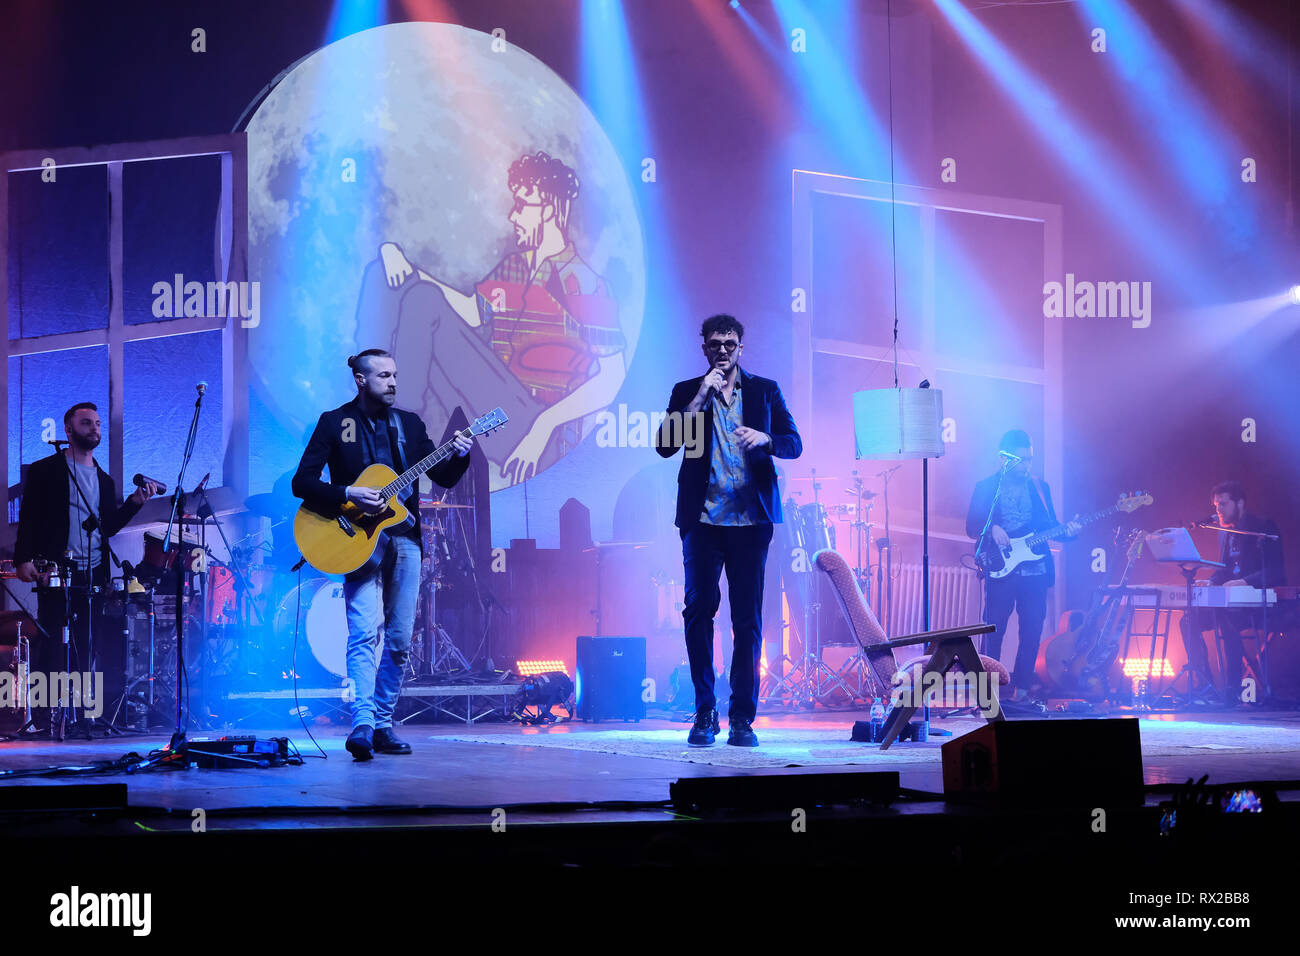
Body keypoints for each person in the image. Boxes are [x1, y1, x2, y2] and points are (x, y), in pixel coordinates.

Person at [362, 151, 624, 487]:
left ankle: (395, 428)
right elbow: (469, 313)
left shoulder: (582, 283)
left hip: (536, 424)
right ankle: (399, 426)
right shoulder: (514, 267)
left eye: (522, 205)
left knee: (424, 301)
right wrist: (400, 261)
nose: (514, 216)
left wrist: (543, 426)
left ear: (546, 209)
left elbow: (612, 378)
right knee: (420, 298)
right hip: (492, 415)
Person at [292, 349, 474, 760]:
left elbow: (441, 476)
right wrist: (346, 493)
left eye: (395, 375)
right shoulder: (334, 422)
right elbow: (302, 483)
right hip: (355, 541)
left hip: (406, 539)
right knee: (362, 634)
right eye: (383, 376)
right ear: (360, 379)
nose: (393, 382)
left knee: (398, 640)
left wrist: (460, 453)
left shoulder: (408, 424)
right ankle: (363, 722)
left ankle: (384, 723)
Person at [655, 315, 802, 747]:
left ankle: (742, 718)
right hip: (701, 522)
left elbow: (794, 442)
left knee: (748, 620)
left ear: (741, 347)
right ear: (704, 348)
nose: (723, 349)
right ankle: (704, 710)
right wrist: (701, 395)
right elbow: (665, 445)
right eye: (715, 343)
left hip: (751, 522)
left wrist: (766, 438)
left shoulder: (763, 390)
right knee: (699, 612)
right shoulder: (687, 392)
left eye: (730, 343)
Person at [14, 402, 162, 734]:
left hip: (93, 572)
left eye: (96, 423)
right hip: (55, 570)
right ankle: (42, 719)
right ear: (68, 430)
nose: (94, 428)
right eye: (86, 423)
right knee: (52, 642)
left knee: (86, 643)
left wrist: (135, 503)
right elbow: (30, 518)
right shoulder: (44, 471)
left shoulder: (105, 481)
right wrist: (22, 558)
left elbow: (107, 527)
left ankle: (82, 716)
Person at [966, 429, 1078, 701]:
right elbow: (971, 526)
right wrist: (991, 528)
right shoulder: (986, 487)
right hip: (1001, 571)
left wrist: (1069, 531)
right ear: (1005, 459)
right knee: (994, 631)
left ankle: (1022, 692)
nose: (1027, 465)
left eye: (1030, 459)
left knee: (1031, 633)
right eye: (1022, 460)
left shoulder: (1041, 488)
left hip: (1035, 571)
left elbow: (1050, 527)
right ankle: (988, 693)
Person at [1179, 480, 1286, 704]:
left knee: (1227, 618)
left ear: (1240, 503)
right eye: (1216, 505)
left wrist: (1245, 581)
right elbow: (1224, 569)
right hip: (1229, 604)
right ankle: (1205, 685)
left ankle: (1232, 688)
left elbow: (1276, 571)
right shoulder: (1224, 533)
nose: (1218, 510)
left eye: (1223, 504)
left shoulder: (1263, 527)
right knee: (1188, 620)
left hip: (1258, 605)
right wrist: (1210, 582)